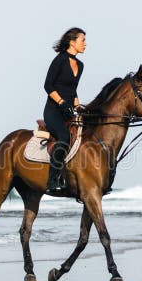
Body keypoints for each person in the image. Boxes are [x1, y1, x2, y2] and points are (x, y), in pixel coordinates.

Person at [43, 27, 86, 195]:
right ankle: (52, 181)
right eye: (82, 40)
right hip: (54, 111)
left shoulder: (80, 65)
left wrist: (78, 108)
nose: (85, 44)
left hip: (68, 111)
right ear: (72, 42)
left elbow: (73, 91)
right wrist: (61, 102)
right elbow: (48, 85)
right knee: (64, 137)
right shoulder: (59, 60)